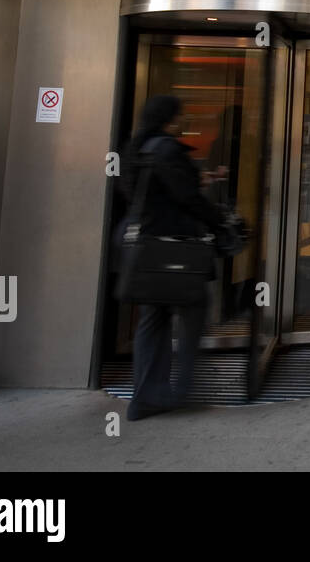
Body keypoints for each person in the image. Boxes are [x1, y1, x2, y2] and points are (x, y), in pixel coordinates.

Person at [117, 94, 229, 421]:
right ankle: (179, 388)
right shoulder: (167, 149)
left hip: (147, 252)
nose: (182, 122)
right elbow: (187, 197)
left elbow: (146, 191)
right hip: (176, 249)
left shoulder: (134, 150)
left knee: (152, 320)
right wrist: (220, 222)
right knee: (195, 310)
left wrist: (201, 178)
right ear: (169, 119)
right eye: (179, 117)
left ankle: (145, 395)